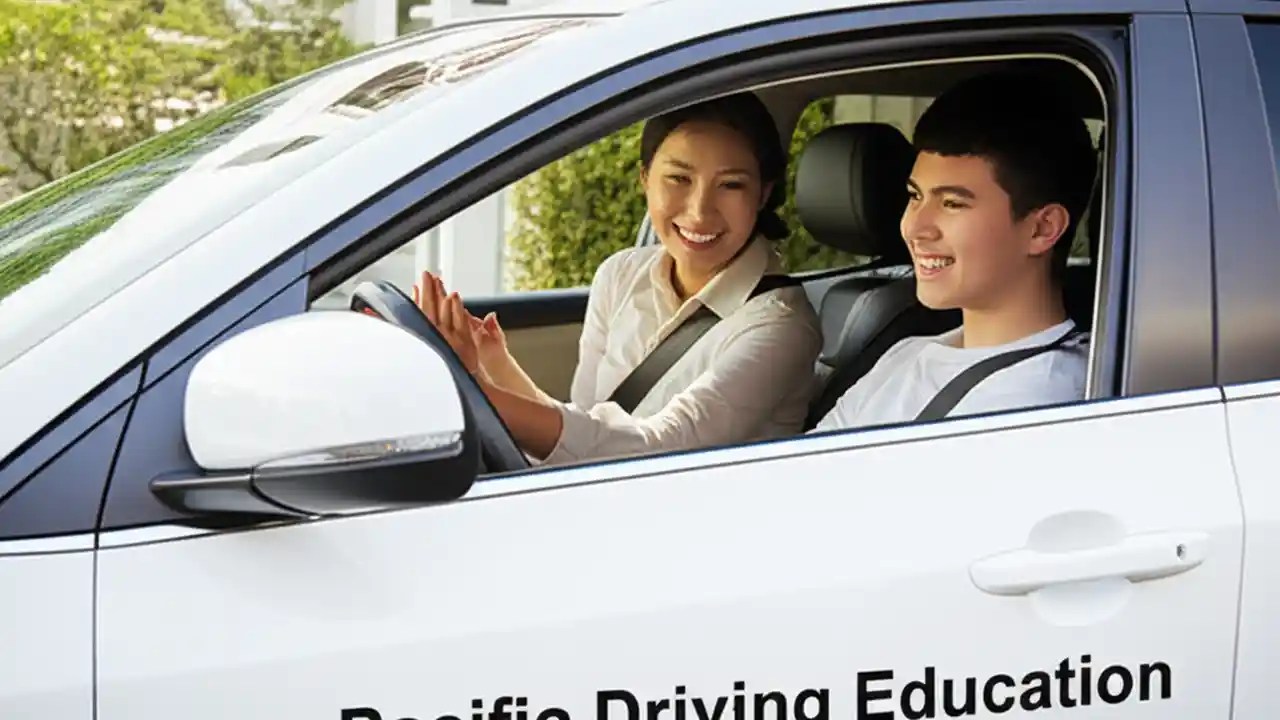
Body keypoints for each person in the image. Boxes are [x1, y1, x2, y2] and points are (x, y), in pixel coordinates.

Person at [419, 92, 822, 464]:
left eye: (731, 185)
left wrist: (480, 397)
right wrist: (495, 364)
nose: (700, 212)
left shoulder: (780, 326)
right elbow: (589, 426)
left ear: (764, 194)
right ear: (645, 178)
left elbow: (660, 450)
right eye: (679, 178)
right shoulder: (621, 274)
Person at [813, 71, 1097, 432]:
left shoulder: (1046, 401)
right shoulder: (906, 352)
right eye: (915, 196)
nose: (914, 228)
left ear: (1042, 229)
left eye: (952, 203)